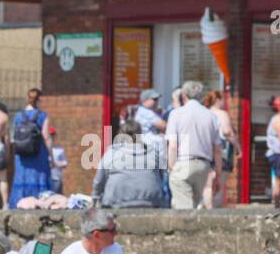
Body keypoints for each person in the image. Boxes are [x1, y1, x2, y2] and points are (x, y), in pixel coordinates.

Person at [165, 81, 223, 210]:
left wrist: (170, 167)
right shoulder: (211, 116)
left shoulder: (176, 114)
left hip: (183, 162)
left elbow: (173, 146)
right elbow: (217, 149)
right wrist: (218, 174)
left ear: (184, 95)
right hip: (203, 166)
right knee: (194, 205)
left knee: (183, 209)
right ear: (202, 96)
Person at [92, 119, 167, 208]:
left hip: (116, 201)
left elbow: (99, 181)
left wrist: (94, 200)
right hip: (151, 201)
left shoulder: (112, 152)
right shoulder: (153, 152)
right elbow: (161, 177)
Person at [10, 88, 54, 208]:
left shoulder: (18, 116)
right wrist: (52, 156)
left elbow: (14, 135)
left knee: (21, 178)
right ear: (39, 100)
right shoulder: (42, 115)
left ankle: (19, 203)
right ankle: (39, 204)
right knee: (39, 178)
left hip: (22, 155)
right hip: (38, 154)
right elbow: (46, 136)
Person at [205, 92, 240, 209]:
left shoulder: (205, 112)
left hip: (205, 151)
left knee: (209, 183)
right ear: (218, 100)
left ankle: (205, 206)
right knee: (219, 180)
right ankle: (214, 209)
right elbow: (227, 132)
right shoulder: (221, 114)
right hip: (222, 151)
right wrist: (238, 147)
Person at [266, 95, 280, 208]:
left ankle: (277, 205)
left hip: (277, 154)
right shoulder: (279, 120)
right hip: (279, 154)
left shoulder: (278, 119)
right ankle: (277, 206)